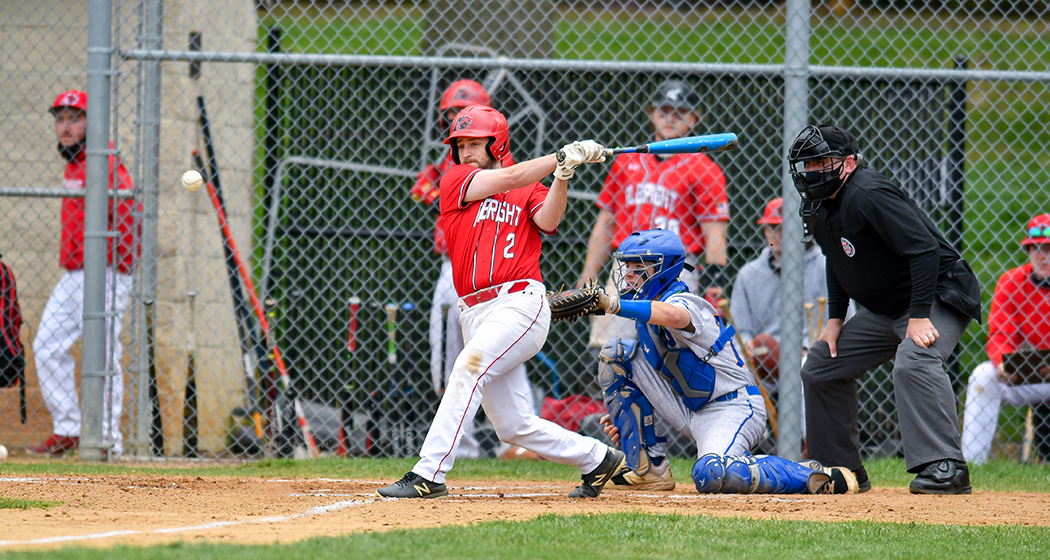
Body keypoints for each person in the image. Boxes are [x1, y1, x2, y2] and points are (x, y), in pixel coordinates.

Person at [376, 106, 624, 499]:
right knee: (512, 426)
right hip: (474, 311)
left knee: (467, 368)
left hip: (519, 303)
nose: (466, 152)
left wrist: (561, 175)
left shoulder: (528, 187)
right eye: (460, 145)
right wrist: (559, 156)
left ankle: (428, 474)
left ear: (497, 143)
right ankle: (596, 457)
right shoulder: (455, 179)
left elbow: (548, 220)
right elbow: (508, 176)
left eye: (475, 144)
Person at [789, 122, 982, 494]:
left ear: (847, 164)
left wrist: (919, 315)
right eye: (807, 165)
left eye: (821, 163)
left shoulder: (868, 193)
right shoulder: (818, 201)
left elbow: (924, 249)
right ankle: (841, 470)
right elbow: (836, 255)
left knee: (915, 359)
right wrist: (835, 318)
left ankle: (947, 466)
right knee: (820, 367)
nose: (812, 172)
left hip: (939, 293)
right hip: (887, 307)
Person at [590, 229, 857, 494]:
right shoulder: (647, 311)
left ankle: (811, 473)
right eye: (629, 266)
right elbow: (664, 373)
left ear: (665, 269)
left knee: (712, 474)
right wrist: (629, 412)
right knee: (616, 352)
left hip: (731, 407)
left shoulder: (686, 302)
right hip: (689, 406)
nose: (630, 275)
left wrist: (613, 305)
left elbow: (673, 316)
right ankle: (649, 469)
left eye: (640, 267)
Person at [410, 79, 520, 459]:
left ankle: (515, 440)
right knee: (450, 356)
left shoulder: (506, 167)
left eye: (467, 115)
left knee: (498, 353)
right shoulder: (448, 166)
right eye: (454, 116)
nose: (460, 124)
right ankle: (465, 444)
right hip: (454, 269)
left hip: (502, 273)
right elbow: (420, 191)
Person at [577, 79, 729, 348]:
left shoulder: (705, 168)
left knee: (676, 351)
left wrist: (714, 281)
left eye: (680, 113)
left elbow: (714, 232)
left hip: (676, 269)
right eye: (664, 111)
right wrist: (589, 274)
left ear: (694, 118)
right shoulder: (626, 161)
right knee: (610, 350)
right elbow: (606, 223)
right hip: (626, 267)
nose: (671, 118)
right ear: (652, 113)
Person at [28, 90, 137, 457]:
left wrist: (121, 271)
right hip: (74, 272)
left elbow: (126, 214)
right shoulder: (73, 163)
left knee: (103, 353)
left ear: (92, 123)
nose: (66, 126)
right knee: (46, 345)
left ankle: (108, 439)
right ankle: (70, 427)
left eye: (75, 118)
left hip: (105, 272)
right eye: (60, 118)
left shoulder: (103, 161)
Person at [730, 197, 852, 387]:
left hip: (811, 356)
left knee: (807, 373)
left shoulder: (827, 266)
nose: (777, 234)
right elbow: (739, 331)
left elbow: (847, 323)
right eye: (771, 227)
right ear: (764, 230)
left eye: (784, 227)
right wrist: (748, 347)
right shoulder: (749, 274)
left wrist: (816, 351)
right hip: (761, 361)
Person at [962, 214, 1050, 463]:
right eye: (1036, 248)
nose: (1042, 255)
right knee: (983, 376)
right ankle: (972, 465)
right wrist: (1002, 361)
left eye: (1048, 248)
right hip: (1030, 375)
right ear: (1028, 250)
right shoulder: (1011, 282)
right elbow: (1000, 333)